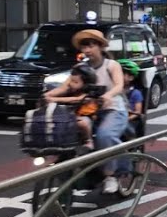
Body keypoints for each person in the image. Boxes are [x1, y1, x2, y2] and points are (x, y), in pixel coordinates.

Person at [45, 28, 128, 194]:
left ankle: (111, 175)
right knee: (70, 130)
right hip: (87, 110)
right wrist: (48, 94)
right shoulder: (81, 67)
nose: (87, 50)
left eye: (91, 46)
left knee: (105, 135)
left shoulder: (111, 65)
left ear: (100, 47)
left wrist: (108, 95)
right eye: (84, 47)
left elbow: (119, 85)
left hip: (113, 109)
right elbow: (65, 87)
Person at [43, 64, 98, 148]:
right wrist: (47, 95)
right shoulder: (71, 90)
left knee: (83, 123)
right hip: (70, 116)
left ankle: (88, 140)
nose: (71, 84)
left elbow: (77, 99)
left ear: (86, 84)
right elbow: (58, 91)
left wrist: (54, 99)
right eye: (71, 81)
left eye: (75, 82)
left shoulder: (89, 93)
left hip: (85, 117)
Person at [119, 59, 146, 138]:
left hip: (129, 120)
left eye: (122, 74)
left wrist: (126, 119)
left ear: (131, 77)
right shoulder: (114, 90)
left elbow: (137, 112)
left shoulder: (135, 93)